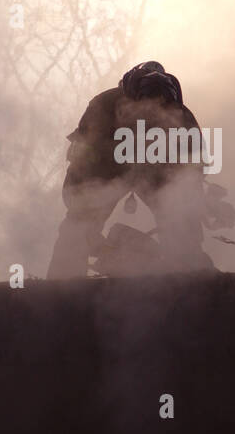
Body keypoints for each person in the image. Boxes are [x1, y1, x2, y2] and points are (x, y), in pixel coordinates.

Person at [46, 61, 225, 278]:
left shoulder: (181, 116)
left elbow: (195, 165)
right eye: (149, 103)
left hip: (155, 171)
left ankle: (190, 276)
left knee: (180, 223)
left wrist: (198, 203)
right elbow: (83, 158)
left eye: (162, 106)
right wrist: (82, 204)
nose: (154, 111)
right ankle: (61, 285)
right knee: (79, 225)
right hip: (107, 169)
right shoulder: (104, 105)